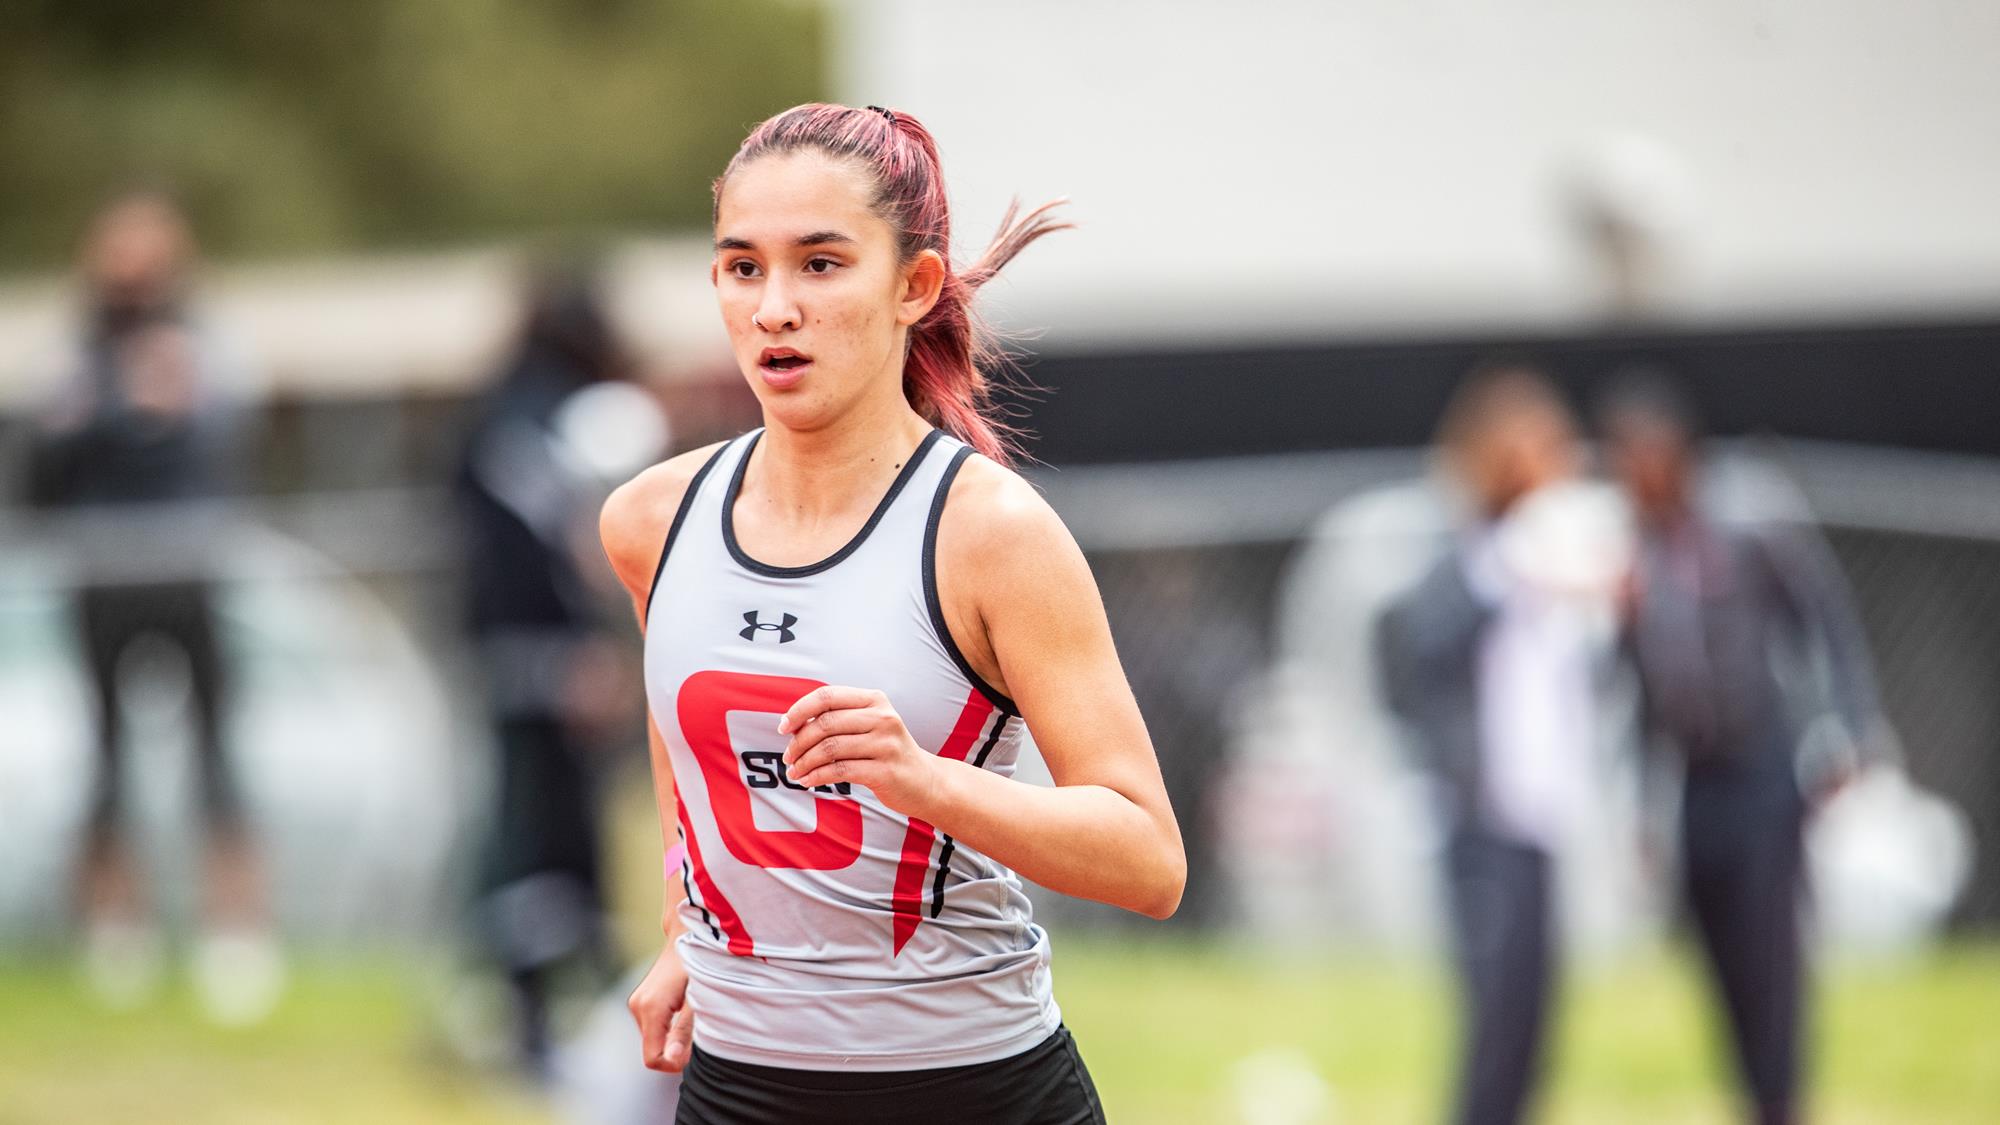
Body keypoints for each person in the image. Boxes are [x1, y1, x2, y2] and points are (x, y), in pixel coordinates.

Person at [598, 103, 1184, 1123]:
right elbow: (682, 738)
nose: (774, 307)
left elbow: (1146, 857)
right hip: (739, 1089)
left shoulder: (989, 534)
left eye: (820, 265)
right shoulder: (651, 520)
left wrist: (920, 780)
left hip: (973, 1088)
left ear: (913, 286)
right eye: (743, 268)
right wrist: (677, 924)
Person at [1599, 372, 1889, 1125]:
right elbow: (1631, 692)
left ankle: (1781, 1102)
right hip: (1693, 779)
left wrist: (1848, 725)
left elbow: (1824, 620)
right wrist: (1637, 803)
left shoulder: (1748, 523)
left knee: (1771, 955)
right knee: (1714, 947)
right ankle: (1749, 1097)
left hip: (1761, 765)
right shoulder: (1635, 555)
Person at [24, 188, 278, 1023]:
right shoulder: (78, 354)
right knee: (105, 758)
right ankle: (112, 933)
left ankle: (234, 936)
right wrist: (109, 412)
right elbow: (42, 465)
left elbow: (228, 439)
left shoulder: (203, 344)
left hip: (188, 568)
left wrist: (170, 399)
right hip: (102, 574)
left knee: (218, 756)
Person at [1375, 362, 1620, 1125]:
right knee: (1493, 1018)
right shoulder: (1469, 565)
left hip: (1544, 814)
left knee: (1536, 1022)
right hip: (1482, 820)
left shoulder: (1560, 559)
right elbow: (1412, 645)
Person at [454, 258, 634, 1076]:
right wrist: (587, 654)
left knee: (528, 837)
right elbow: (566, 552)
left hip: (503, 657)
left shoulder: (492, 417)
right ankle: (535, 1024)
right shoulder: (562, 420)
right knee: (549, 841)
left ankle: (543, 1015)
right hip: (553, 662)